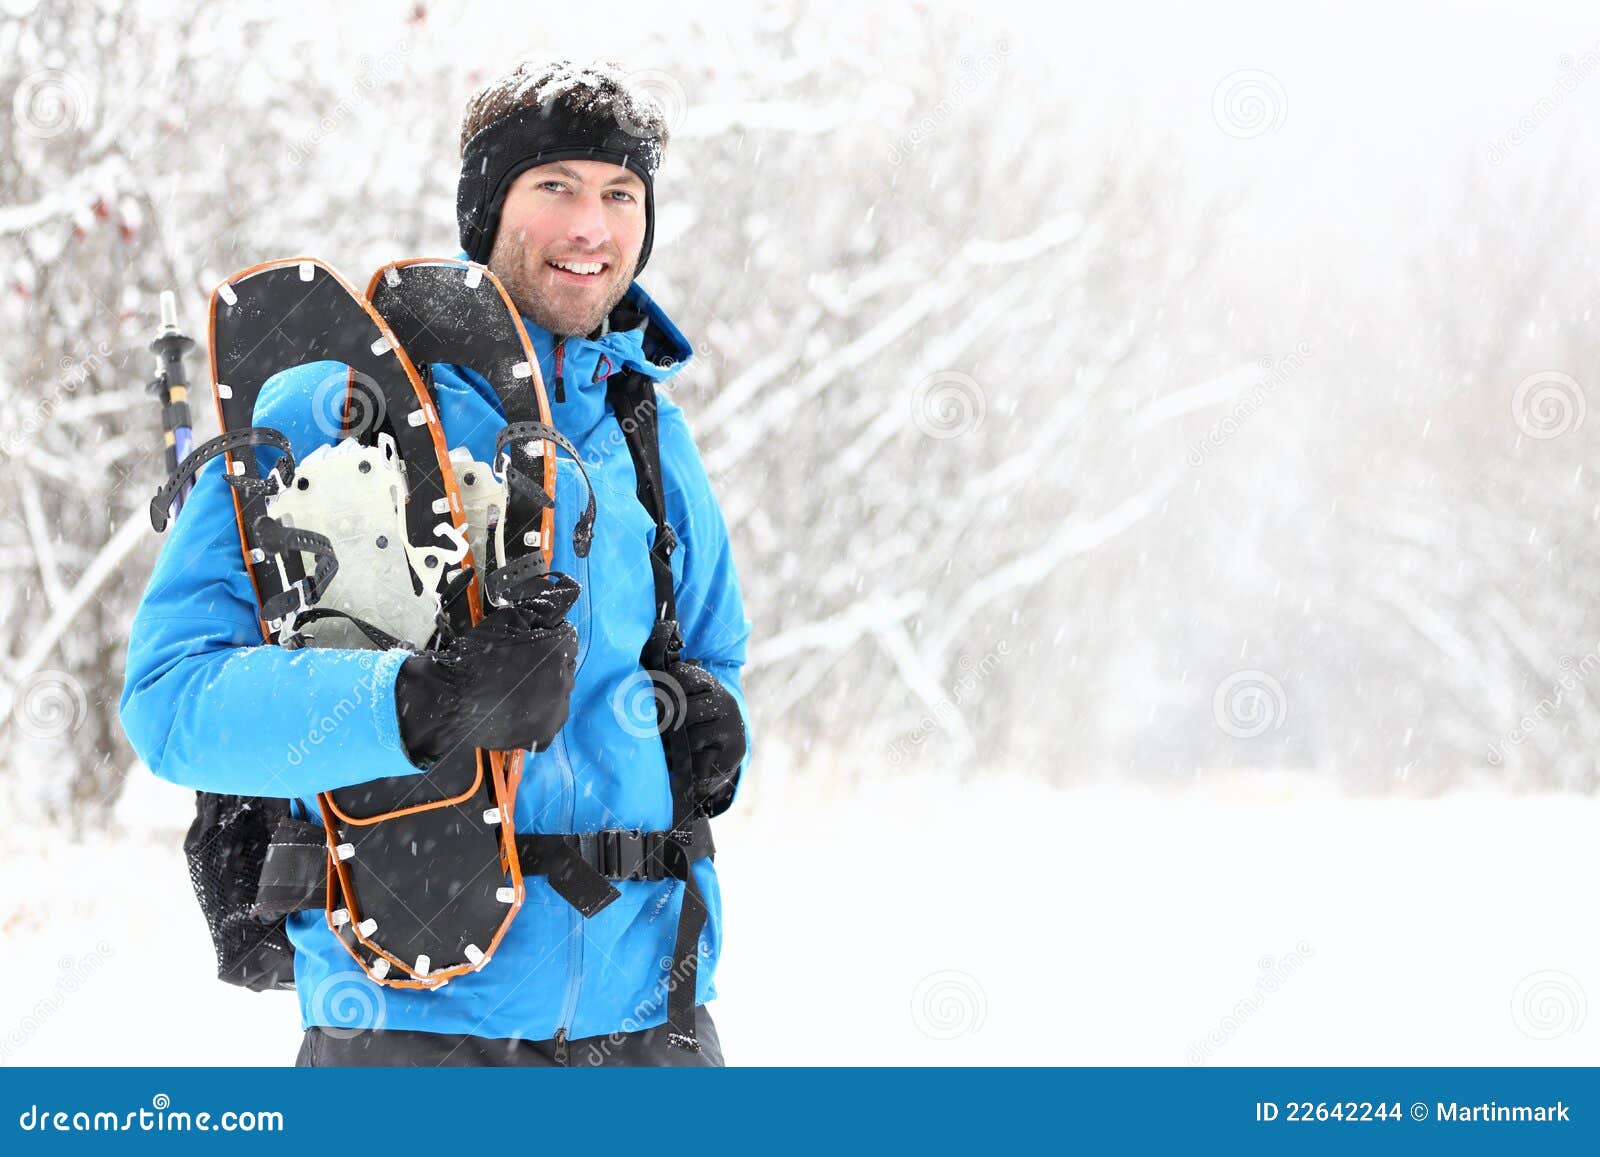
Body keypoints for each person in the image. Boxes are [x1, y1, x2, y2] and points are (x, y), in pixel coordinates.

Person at [119, 59, 752, 1067]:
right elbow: (171, 699)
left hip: (655, 1024)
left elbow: (712, 653)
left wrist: (715, 723)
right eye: (556, 187)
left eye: (620, 194)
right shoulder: (332, 410)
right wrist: (416, 703)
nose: (591, 227)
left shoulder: (647, 431)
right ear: (487, 209)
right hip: (411, 1025)